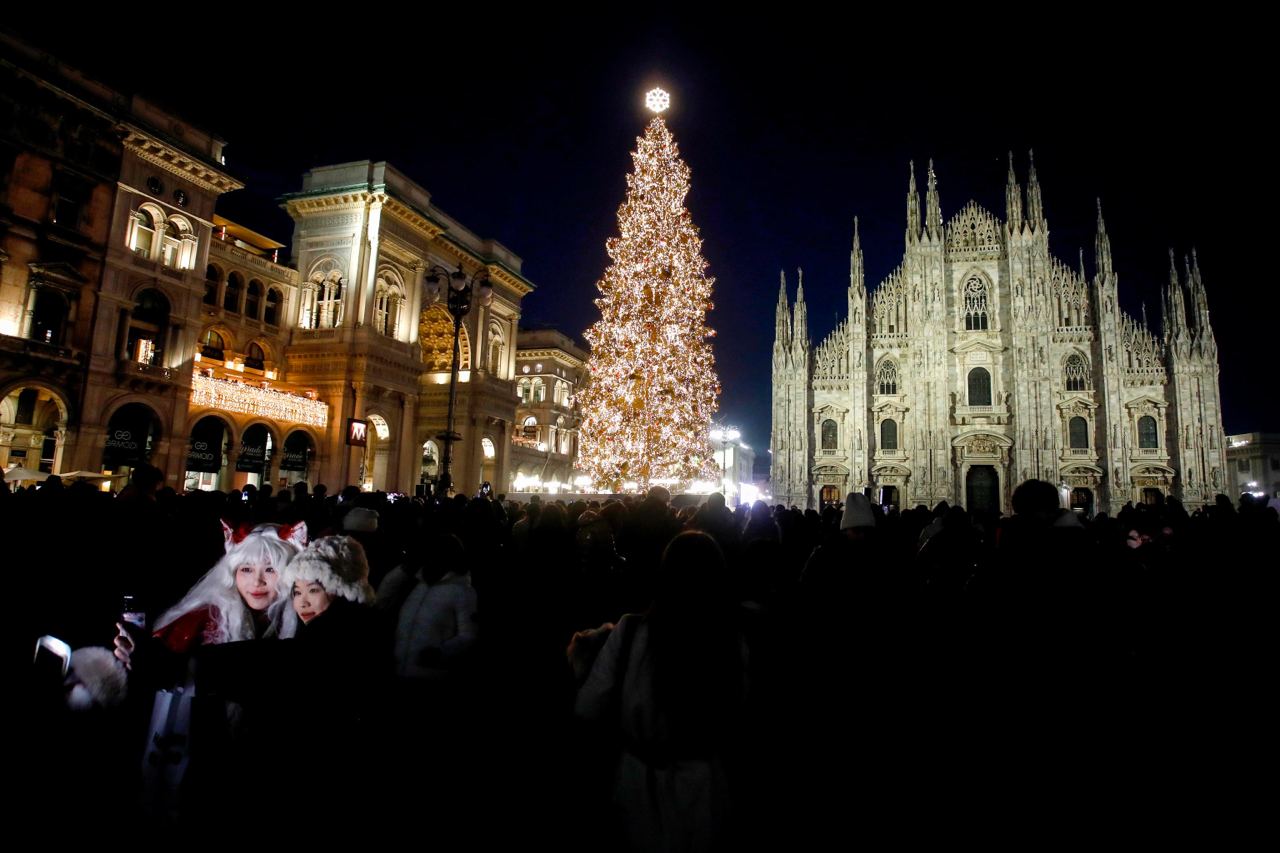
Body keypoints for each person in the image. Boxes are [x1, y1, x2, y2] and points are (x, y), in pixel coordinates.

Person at [575, 531, 748, 851]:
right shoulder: (730, 642)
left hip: (636, 787)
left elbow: (587, 707)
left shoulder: (629, 633)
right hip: (704, 793)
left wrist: (581, 665)